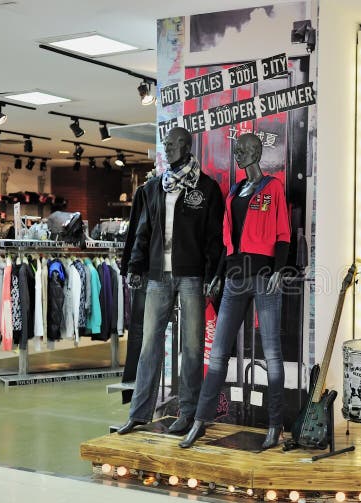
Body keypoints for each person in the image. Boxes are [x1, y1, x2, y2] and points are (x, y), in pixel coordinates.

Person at [180, 133, 290, 450]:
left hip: (265, 275)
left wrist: (279, 269)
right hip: (234, 278)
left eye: (243, 149)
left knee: (272, 354)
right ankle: (200, 422)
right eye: (236, 150)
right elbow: (229, 244)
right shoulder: (233, 193)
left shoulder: (273, 187)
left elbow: (282, 232)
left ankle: (274, 426)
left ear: (257, 151)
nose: (238, 154)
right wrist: (219, 276)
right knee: (217, 355)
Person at [117, 127, 224, 436]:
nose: (166, 148)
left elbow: (213, 238)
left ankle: (189, 414)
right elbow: (141, 231)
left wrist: (212, 274)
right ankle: (138, 413)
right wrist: (134, 266)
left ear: (186, 145)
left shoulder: (206, 189)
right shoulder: (152, 189)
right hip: (157, 275)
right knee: (149, 344)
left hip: (191, 275)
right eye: (164, 144)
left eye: (172, 143)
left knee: (191, 347)